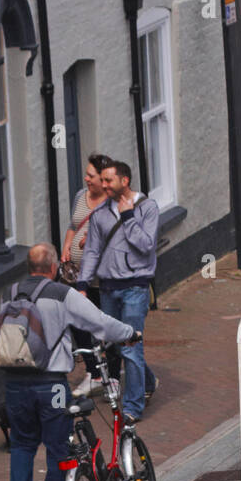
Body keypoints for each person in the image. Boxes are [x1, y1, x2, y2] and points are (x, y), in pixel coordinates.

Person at [3, 242, 138, 481]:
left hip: (14, 384)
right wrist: (129, 334)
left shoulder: (10, 293)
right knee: (59, 448)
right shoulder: (61, 294)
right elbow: (98, 322)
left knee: (22, 443)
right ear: (53, 268)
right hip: (50, 385)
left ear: (28, 268)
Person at [77, 160, 158, 423]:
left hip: (135, 287)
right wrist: (82, 285)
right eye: (103, 180)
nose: (104, 185)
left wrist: (127, 217)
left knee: (131, 347)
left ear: (124, 181)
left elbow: (145, 245)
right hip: (109, 289)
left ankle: (132, 408)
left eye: (109, 180)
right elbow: (91, 251)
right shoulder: (100, 214)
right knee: (115, 345)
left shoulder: (147, 208)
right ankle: (147, 380)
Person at [59, 153, 117, 399]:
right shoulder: (80, 197)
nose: (86, 178)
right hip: (77, 276)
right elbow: (73, 226)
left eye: (91, 175)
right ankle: (93, 373)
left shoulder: (113, 203)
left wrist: (93, 241)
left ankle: (112, 376)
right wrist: (67, 245)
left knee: (107, 326)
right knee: (77, 322)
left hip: (102, 278)